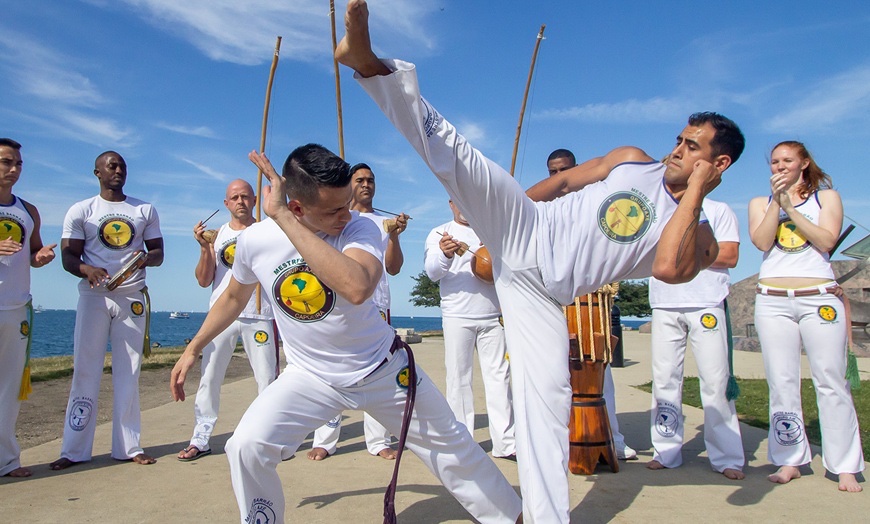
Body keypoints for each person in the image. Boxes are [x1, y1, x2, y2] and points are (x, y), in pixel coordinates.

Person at [335, 2, 744, 519]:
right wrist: (501, 211)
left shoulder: (700, 238)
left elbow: (667, 267)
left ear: (719, 163)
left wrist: (695, 194)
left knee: (546, 401)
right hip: (529, 225)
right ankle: (370, 64)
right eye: (680, 140)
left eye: (693, 147)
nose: (678, 150)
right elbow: (568, 180)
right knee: (458, 155)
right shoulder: (633, 158)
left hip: (545, 294)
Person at [170, 144, 523, 523]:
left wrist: (285, 220)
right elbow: (233, 297)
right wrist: (193, 348)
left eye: (347, 203)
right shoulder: (256, 241)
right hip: (311, 376)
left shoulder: (361, 226)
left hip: (383, 370)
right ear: (299, 207)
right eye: (334, 209)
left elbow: (355, 286)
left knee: (456, 452)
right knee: (245, 447)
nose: (345, 213)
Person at [748, 141, 864, 492]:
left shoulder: (826, 198)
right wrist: (776, 205)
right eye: (774, 162)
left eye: (787, 160)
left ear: (804, 162)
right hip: (772, 299)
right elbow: (762, 242)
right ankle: (789, 459)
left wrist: (792, 209)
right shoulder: (759, 202)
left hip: (818, 298)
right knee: (781, 381)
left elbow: (826, 240)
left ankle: (844, 464)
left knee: (830, 379)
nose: (779, 166)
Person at [50, 151, 164, 470]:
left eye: (122, 166)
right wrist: (86, 269)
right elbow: (68, 257)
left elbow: (158, 252)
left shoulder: (144, 209)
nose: (118, 170)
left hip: (132, 297)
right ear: (97, 172)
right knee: (86, 371)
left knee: (129, 373)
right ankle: (73, 450)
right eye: (111, 166)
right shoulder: (81, 210)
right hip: (94, 297)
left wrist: (144, 258)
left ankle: (129, 446)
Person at [308, 162, 406, 461]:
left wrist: (397, 236)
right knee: (332, 368)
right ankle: (325, 438)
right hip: (338, 302)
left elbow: (394, 267)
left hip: (376, 303)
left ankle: (378, 440)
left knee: (377, 367)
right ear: (349, 184)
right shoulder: (337, 219)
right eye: (360, 180)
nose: (366, 185)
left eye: (371, 180)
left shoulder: (384, 223)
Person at [177, 179, 279, 461]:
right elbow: (203, 279)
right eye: (234, 197)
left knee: (266, 378)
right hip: (220, 316)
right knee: (210, 376)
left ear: (255, 200)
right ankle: (201, 436)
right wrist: (202, 248)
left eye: (246, 197)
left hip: (259, 314)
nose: (240, 202)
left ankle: (266, 438)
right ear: (226, 203)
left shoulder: (266, 232)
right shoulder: (218, 235)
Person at [546, 148, 637, 461]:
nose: (560, 177)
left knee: (601, 378)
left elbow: (617, 247)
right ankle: (563, 441)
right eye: (553, 172)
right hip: (559, 304)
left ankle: (613, 437)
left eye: (565, 170)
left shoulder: (599, 201)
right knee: (557, 380)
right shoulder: (548, 208)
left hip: (594, 304)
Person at [647, 198, 745, 479]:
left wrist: (680, 252)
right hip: (665, 302)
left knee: (716, 381)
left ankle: (727, 457)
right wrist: (695, 252)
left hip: (706, 301)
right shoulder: (659, 208)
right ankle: (665, 450)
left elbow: (729, 255)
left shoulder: (718, 209)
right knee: (664, 378)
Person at [424, 199, 516, 459]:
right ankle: (463, 441)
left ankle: (506, 443)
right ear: (450, 203)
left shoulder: (492, 229)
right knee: (458, 378)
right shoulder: (439, 233)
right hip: (457, 316)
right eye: (458, 199)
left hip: (493, 316)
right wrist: (445, 254)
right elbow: (432, 272)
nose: (464, 204)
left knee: (500, 377)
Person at [0, 138, 56, 478]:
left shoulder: (28, 210)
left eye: (18, 163)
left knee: (8, 389)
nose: (14, 169)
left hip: (16, 309)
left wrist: (41, 257)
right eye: (7, 162)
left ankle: (7, 461)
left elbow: (32, 254)